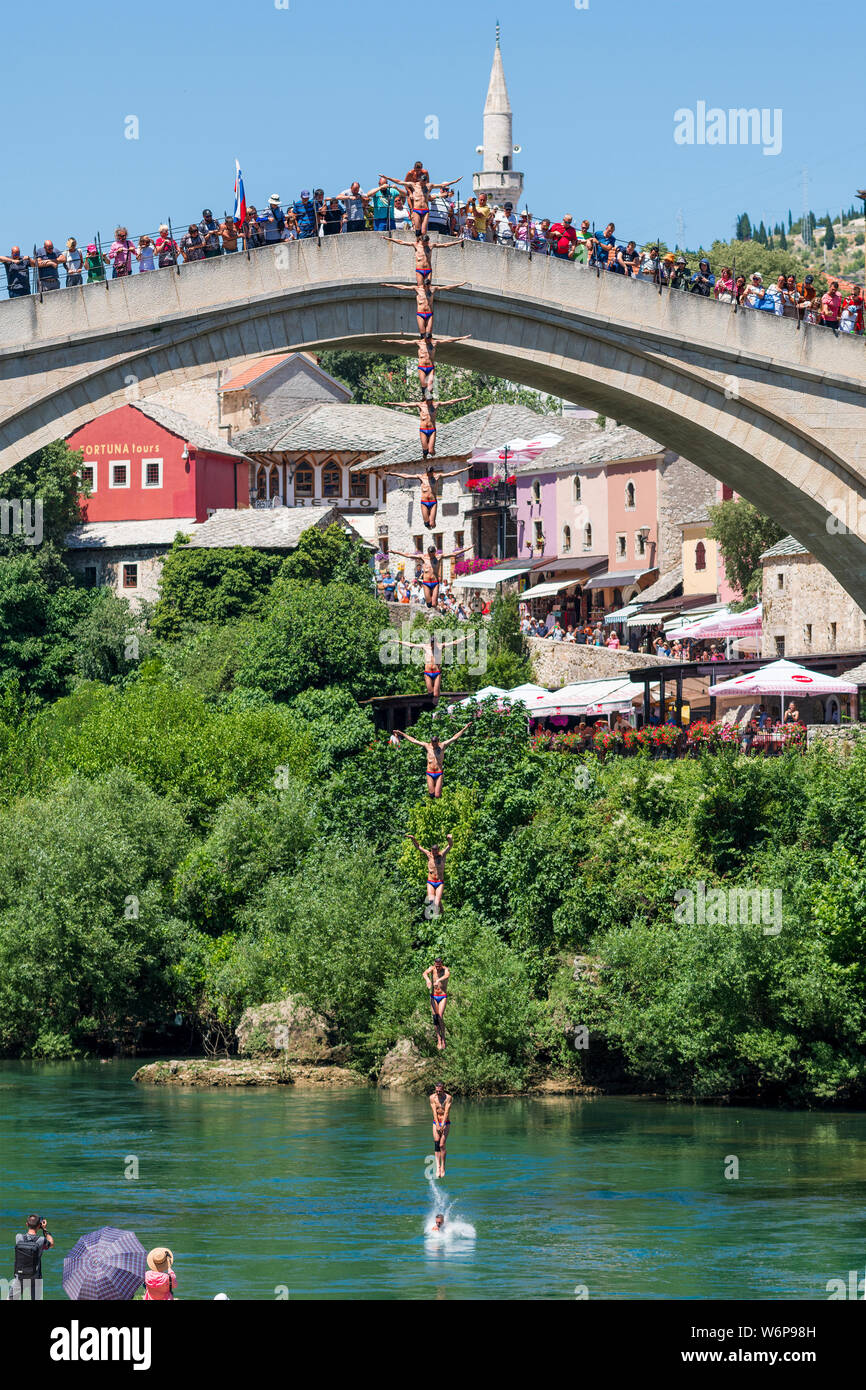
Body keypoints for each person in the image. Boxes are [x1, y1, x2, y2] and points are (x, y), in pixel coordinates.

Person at [393, 723, 470, 797]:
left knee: (437, 795)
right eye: (433, 743)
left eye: (435, 743)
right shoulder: (427, 746)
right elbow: (413, 740)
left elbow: (454, 737)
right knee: (432, 793)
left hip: (439, 772)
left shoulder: (442, 745)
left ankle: (440, 799)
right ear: (431, 742)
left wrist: (465, 728)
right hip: (429, 772)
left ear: (438, 742)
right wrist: (402, 734)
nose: (434, 745)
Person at [389, 394, 470, 460]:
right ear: (425, 400)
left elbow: (450, 402)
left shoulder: (436, 404)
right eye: (428, 401)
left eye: (431, 401)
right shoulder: (420, 405)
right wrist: (392, 403)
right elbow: (405, 404)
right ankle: (424, 457)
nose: (429, 403)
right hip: (423, 430)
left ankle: (437, 458)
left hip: (432, 430)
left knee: (431, 451)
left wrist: (463, 398)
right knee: (425, 450)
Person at [11, 1215, 53, 1300]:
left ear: (27, 1224)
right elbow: (51, 1244)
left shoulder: (18, 1237)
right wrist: (45, 1229)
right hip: (35, 1276)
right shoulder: (41, 1240)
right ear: (39, 1226)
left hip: (20, 1275)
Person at [409, 835, 453, 918]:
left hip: (439, 882)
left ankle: (441, 914)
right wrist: (413, 839)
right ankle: (437, 918)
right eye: (433, 852)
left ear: (438, 850)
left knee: (437, 902)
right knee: (431, 901)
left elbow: (450, 845)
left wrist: (449, 838)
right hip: (431, 881)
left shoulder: (442, 855)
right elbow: (418, 847)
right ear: (431, 851)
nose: (434, 854)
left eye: (436, 852)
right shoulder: (429, 855)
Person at [423, 956, 451, 1049]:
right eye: (436, 966)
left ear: (441, 964)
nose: (438, 968)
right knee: (435, 1018)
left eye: (439, 966)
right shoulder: (432, 968)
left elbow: (447, 975)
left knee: (440, 1016)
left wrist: (438, 980)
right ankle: (439, 1039)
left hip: (442, 996)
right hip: (434, 996)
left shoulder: (445, 969)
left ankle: (443, 1039)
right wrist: (428, 980)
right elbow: (424, 973)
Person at [429, 1082, 453, 1177]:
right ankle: (437, 1167)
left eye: (440, 1091)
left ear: (443, 1089)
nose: (438, 1092)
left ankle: (443, 1166)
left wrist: (442, 1124)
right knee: (436, 1143)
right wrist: (438, 1124)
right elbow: (434, 1112)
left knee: (442, 1144)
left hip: (445, 1122)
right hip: (436, 1122)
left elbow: (446, 1112)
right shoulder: (432, 1097)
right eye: (436, 1091)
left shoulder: (448, 1098)